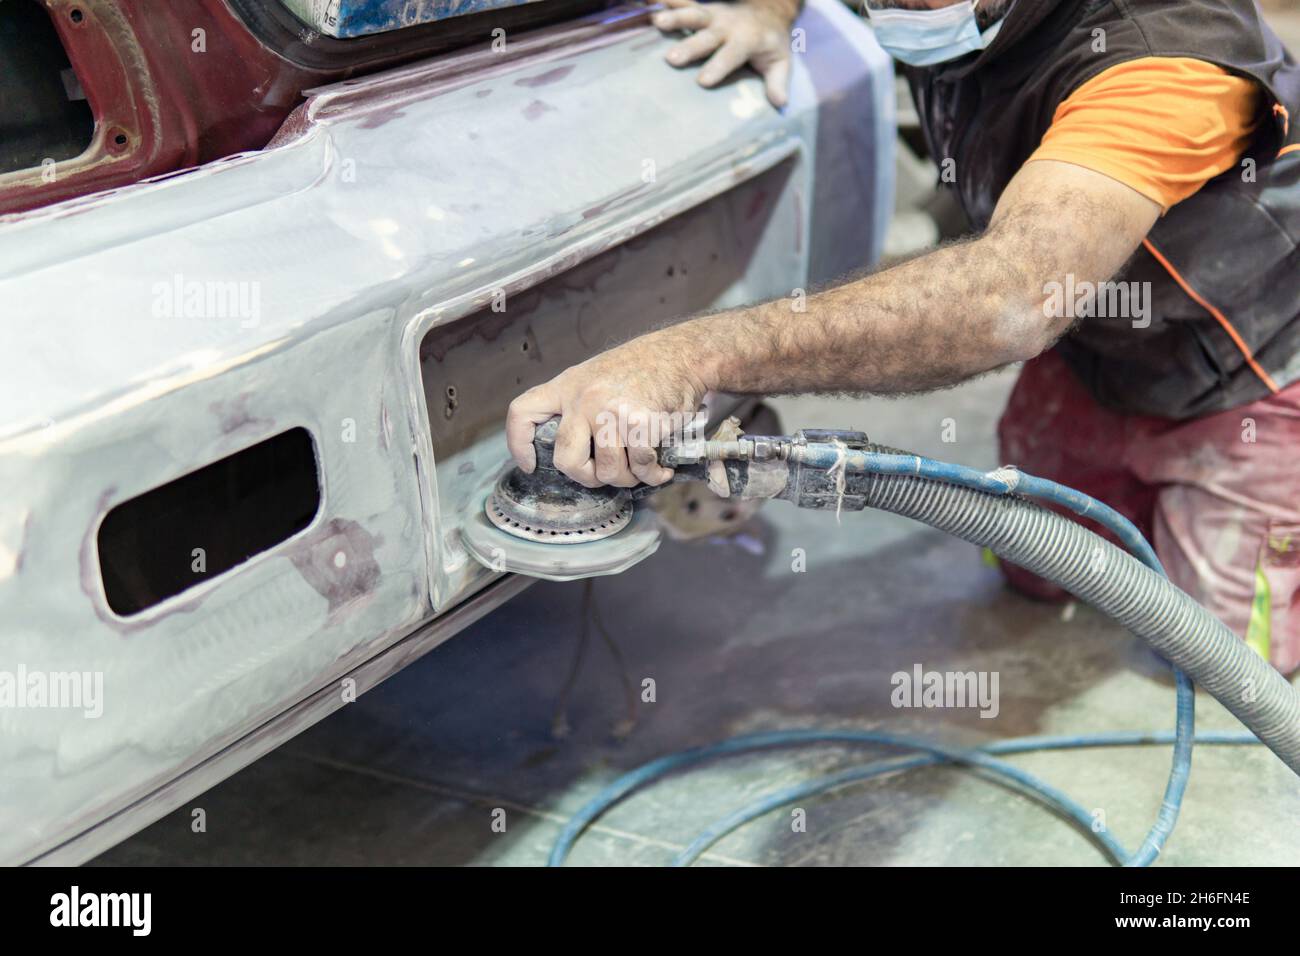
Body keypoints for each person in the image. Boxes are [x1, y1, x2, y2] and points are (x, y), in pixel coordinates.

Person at [505, 0, 1300, 673]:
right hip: (1098, 346)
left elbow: (1010, 299)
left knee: (1216, 660)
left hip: (1258, 362)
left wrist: (686, 355)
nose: (895, 10)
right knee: (1037, 568)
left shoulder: (1168, 57)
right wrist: (766, 11)